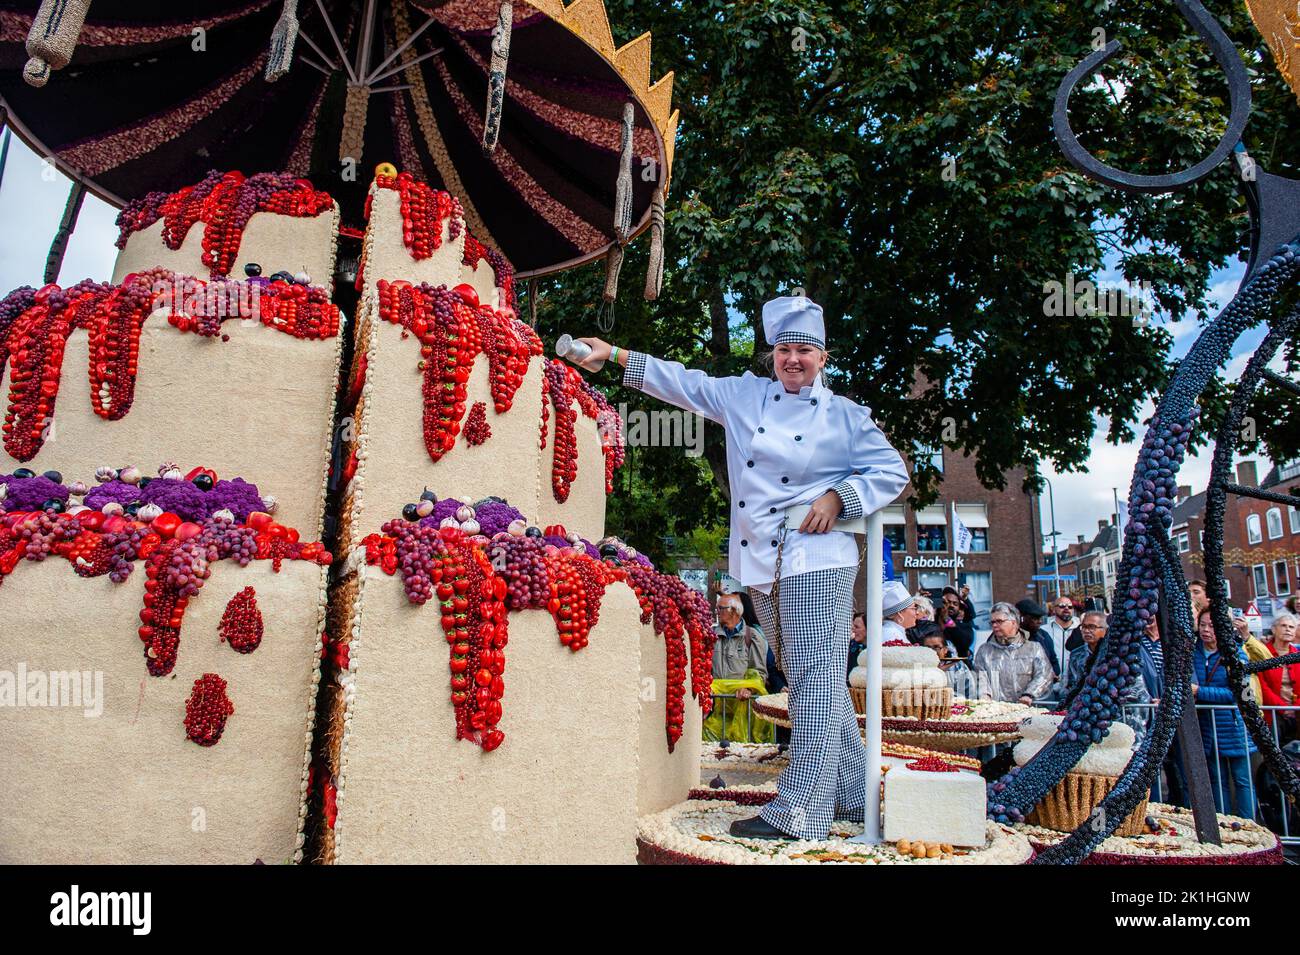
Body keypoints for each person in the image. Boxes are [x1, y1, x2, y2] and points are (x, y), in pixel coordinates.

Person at [577, 295, 910, 841]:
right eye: (784, 349)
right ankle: (853, 791)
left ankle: (801, 812)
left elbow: (890, 471)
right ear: (772, 354)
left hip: (817, 556)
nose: (793, 359)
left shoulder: (847, 416)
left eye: (805, 349)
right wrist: (613, 353)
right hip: (762, 562)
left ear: (823, 357)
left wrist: (839, 496)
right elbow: (681, 382)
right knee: (811, 682)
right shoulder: (743, 395)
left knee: (816, 684)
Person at [1193, 605, 1257, 819]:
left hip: (1232, 725)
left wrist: (1200, 691)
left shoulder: (1235, 654)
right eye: (1202, 625)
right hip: (1208, 728)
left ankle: (1249, 823)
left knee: (1241, 779)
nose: (1206, 630)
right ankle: (1222, 822)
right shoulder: (1194, 654)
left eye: (1211, 625)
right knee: (1216, 780)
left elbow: (1237, 692)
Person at [1061, 611, 1152, 739]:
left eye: (1092, 627)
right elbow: (1070, 686)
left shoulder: (1119, 653)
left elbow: (1137, 690)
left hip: (1122, 714)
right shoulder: (1077, 655)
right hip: (1088, 717)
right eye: (1084, 627)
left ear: (1106, 630)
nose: (1087, 631)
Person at [705, 592, 773, 743]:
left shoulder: (753, 637)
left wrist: (749, 689)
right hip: (716, 708)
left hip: (742, 708)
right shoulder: (711, 636)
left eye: (721, 608)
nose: (717, 611)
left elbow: (759, 672)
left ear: (734, 611)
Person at [972, 602, 1054, 704]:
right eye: (992, 622)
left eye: (999, 621)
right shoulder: (984, 651)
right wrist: (985, 696)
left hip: (1029, 708)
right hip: (996, 711)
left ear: (1014, 622)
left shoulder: (1033, 648)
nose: (994, 625)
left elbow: (1044, 674)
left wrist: (1029, 694)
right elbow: (980, 677)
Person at [1258, 612, 1300, 742]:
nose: (1288, 629)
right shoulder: (1262, 652)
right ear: (1274, 629)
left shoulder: (1297, 655)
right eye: (1283, 625)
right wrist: (1283, 708)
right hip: (1272, 712)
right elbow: (1262, 685)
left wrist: (1295, 708)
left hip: (1297, 712)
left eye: (1291, 627)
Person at [920, 625, 976, 698]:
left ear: (945, 649)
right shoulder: (918, 668)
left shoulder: (957, 666)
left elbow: (969, 692)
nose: (932, 651)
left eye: (936, 647)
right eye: (927, 648)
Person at [1016, 598, 1061, 678]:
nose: (1040, 621)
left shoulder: (1043, 636)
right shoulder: (1007, 638)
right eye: (1035, 618)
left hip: (1044, 688)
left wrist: (1051, 673)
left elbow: (1054, 661)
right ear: (1021, 618)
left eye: (1040, 618)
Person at [1042, 596, 1081, 666]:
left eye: (1070, 607)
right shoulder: (1044, 630)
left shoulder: (1081, 629)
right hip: (1052, 675)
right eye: (1062, 606)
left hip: (1075, 675)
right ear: (1054, 609)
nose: (1066, 608)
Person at [940, 587, 975, 657]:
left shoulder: (965, 627)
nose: (951, 605)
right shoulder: (931, 625)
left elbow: (964, 643)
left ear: (959, 608)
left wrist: (947, 619)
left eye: (955, 603)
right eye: (947, 602)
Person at [847, 610, 868, 681]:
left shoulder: (876, 650)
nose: (853, 630)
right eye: (853, 627)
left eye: (857, 627)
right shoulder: (849, 646)